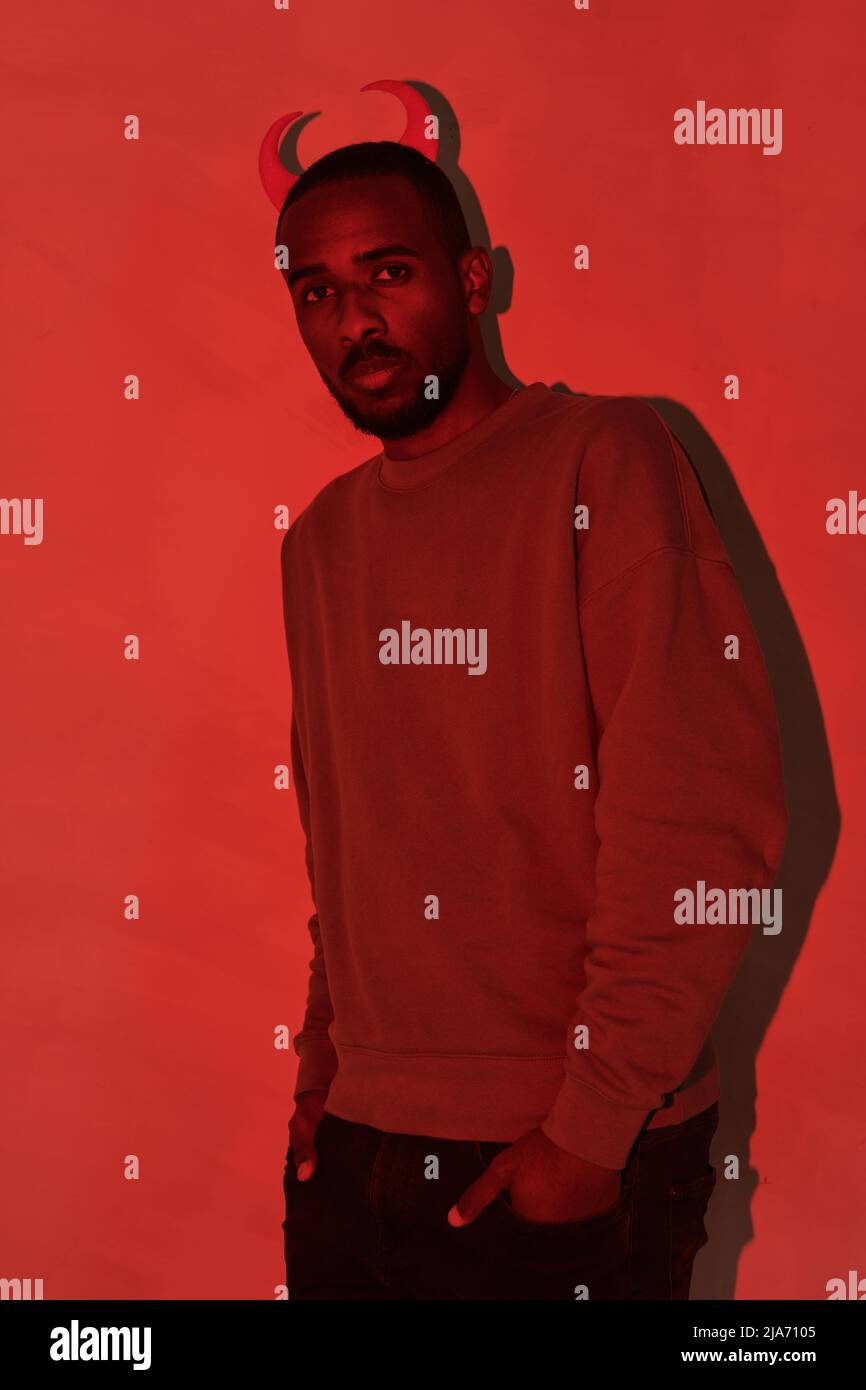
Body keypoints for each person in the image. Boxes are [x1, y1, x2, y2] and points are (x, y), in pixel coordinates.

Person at [273, 139, 788, 1300]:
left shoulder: (602, 456)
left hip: (557, 1155)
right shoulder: (317, 543)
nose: (355, 318)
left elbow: (703, 822)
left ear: (472, 278)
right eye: (318, 291)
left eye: (387, 273)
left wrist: (589, 1133)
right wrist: (322, 1068)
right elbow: (349, 840)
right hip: (354, 1147)